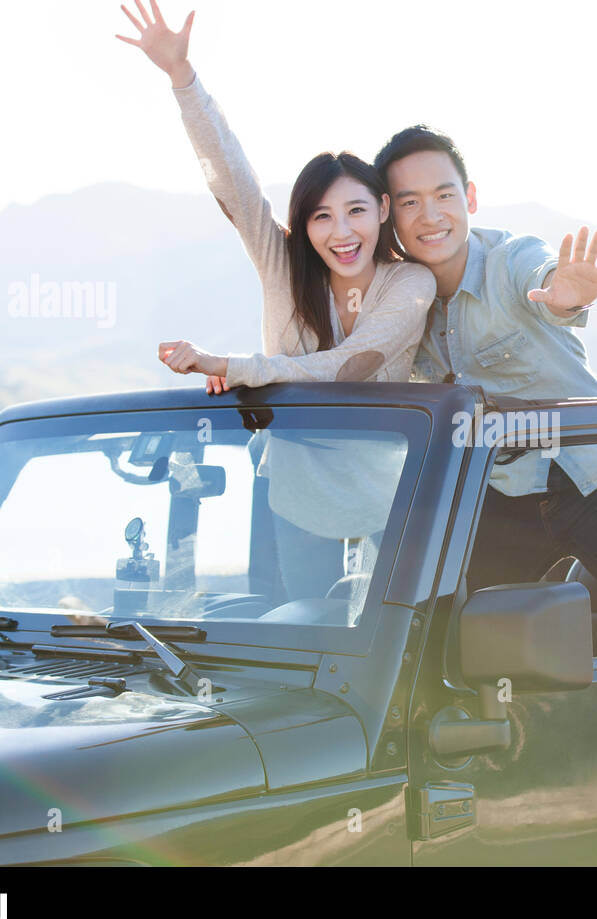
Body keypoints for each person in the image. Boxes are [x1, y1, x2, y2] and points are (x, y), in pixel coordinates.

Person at [116, 3, 436, 605]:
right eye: (321, 216)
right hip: (293, 494)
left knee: (396, 651)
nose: (341, 232)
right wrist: (184, 80)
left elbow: (344, 372)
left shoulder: (409, 284)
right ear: (303, 225)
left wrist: (234, 368)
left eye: (356, 211)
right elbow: (232, 179)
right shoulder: (282, 265)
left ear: (384, 211)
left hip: (389, 497)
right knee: (298, 636)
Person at [372, 126, 597, 655]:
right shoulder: (402, 297)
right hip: (503, 487)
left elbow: (543, 281)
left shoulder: (510, 257)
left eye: (444, 195)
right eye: (410, 202)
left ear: (469, 197)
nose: (431, 216)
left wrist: (564, 295)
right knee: (458, 630)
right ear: (390, 214)